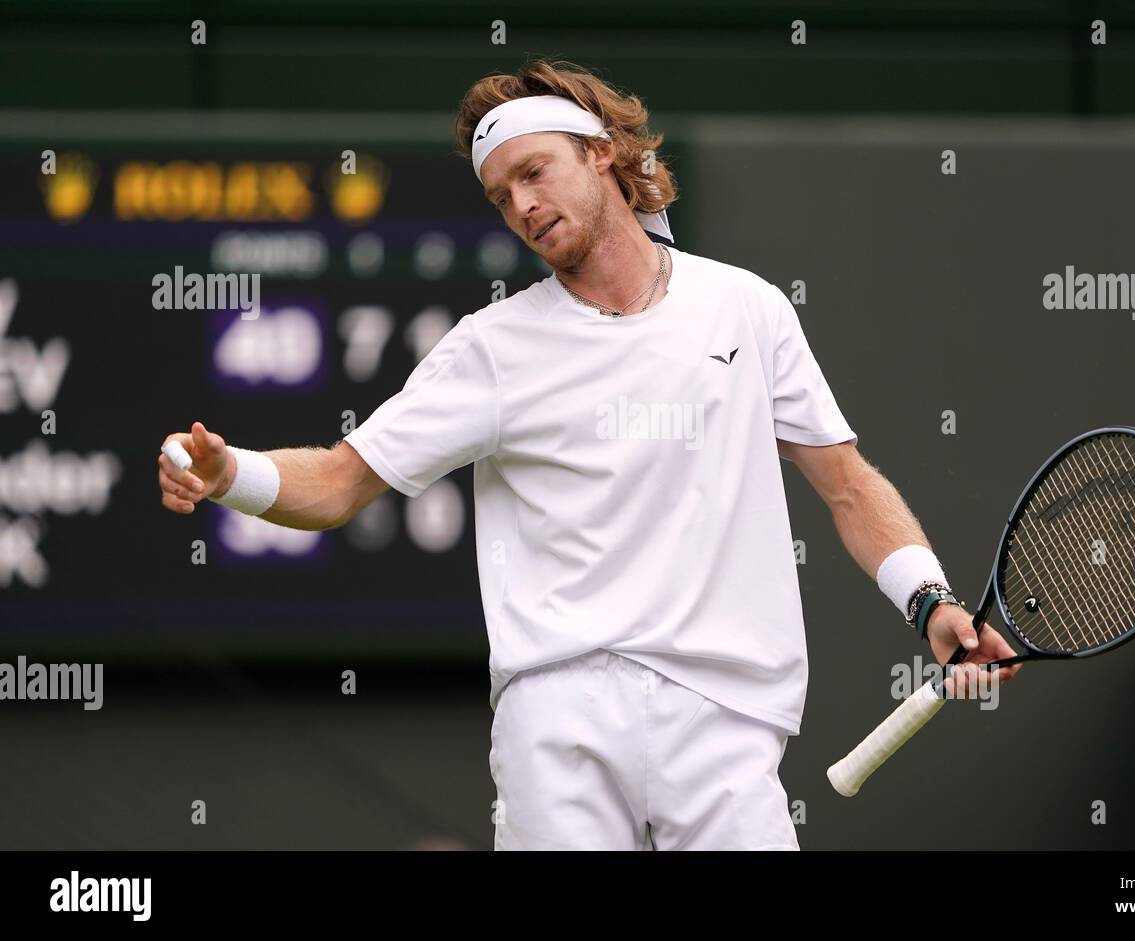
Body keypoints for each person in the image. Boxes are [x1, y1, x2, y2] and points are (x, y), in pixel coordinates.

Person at [158, 58, 1021, 850]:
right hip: (556, 720)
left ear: (602, 154)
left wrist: (930, 601)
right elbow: (340, 484)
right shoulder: (489, 348)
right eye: (501, 195)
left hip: (724, 714)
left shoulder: (747, 310)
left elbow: (847, 487)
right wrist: (230, 473)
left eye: (535, 172)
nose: (523, 205)